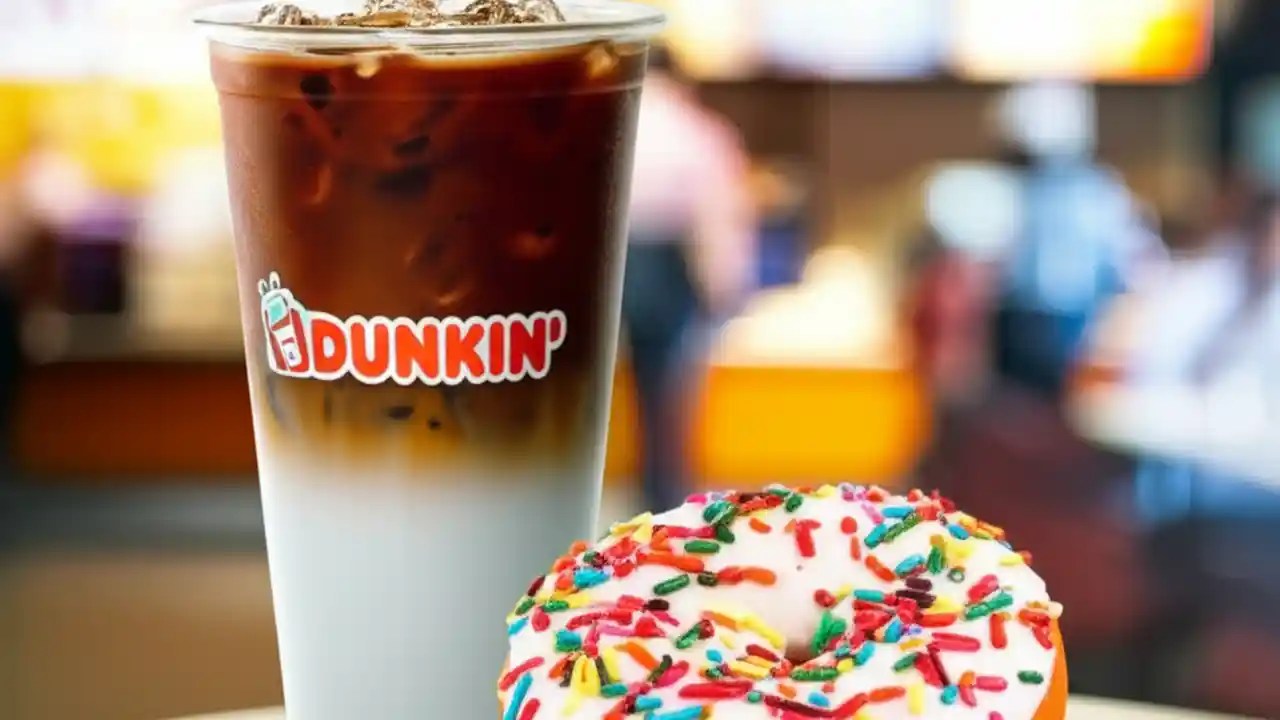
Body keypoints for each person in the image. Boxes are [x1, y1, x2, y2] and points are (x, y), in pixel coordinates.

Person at [622, 46, 756, 512]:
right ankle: (663, 499)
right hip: (668, 268)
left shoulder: (604, 121)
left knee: (602, 395)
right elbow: (719, 220)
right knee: (669, 394)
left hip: (612, 264)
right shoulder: (700, 131)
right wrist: (726, 291)